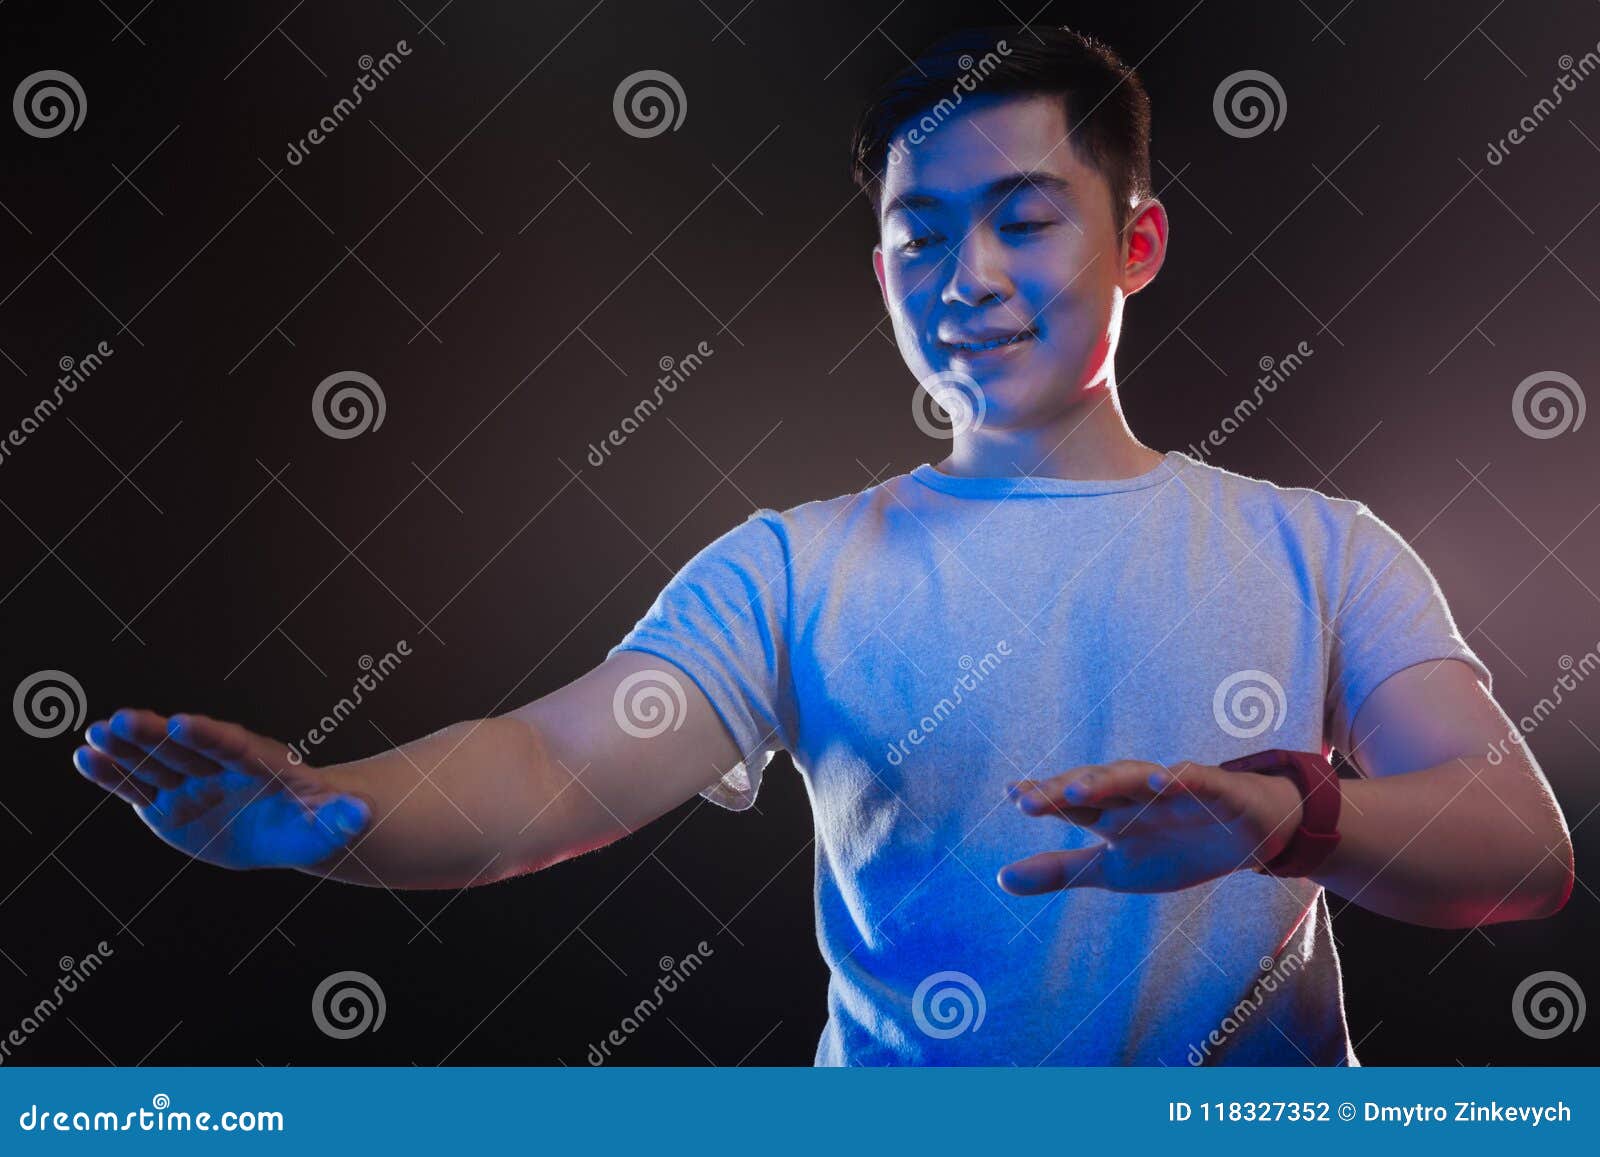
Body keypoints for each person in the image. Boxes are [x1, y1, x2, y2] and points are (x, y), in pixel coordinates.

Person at [73, 24, 1573, 1066]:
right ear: (880, 267)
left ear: (1136, 242)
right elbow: (548, 769)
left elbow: (1517, 850)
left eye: (1023, 218)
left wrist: (1282, 819)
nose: (964, 274)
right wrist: (327, 813)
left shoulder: (1322, 550)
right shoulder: (792, 570)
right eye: (920, 233)